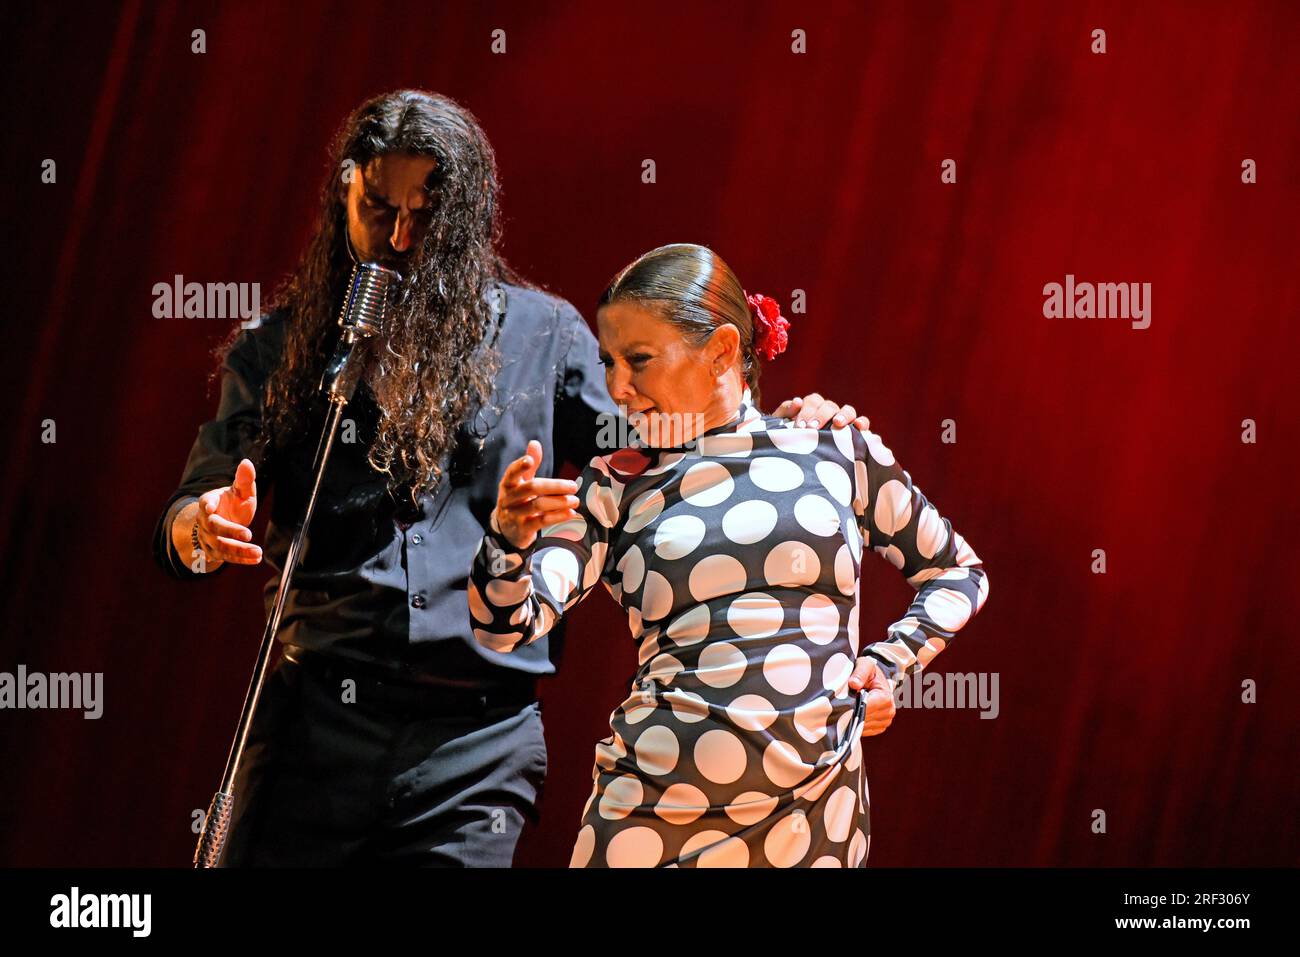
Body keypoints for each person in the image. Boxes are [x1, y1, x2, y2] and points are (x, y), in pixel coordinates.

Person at [153, 91, 870, 866]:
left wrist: (778, 432)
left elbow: (671, 450)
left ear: (464, 221)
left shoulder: (541, 335)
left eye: (424, 215)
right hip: (312, 726)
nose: (396, 238)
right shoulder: (280, 349)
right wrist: (202, 528)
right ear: (344, 193)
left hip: (474, 747)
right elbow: (186, 516)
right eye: (377, 208)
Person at [468, 243, 990, 867]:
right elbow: (504, 627)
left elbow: (958, 572)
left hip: (811, 816)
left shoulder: (834, 450)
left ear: (719, 351)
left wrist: (885, 662)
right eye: (608, 362)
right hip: (650, 819)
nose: (617, 387)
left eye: (638, 360)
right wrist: (507, 542)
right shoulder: (613, 486)